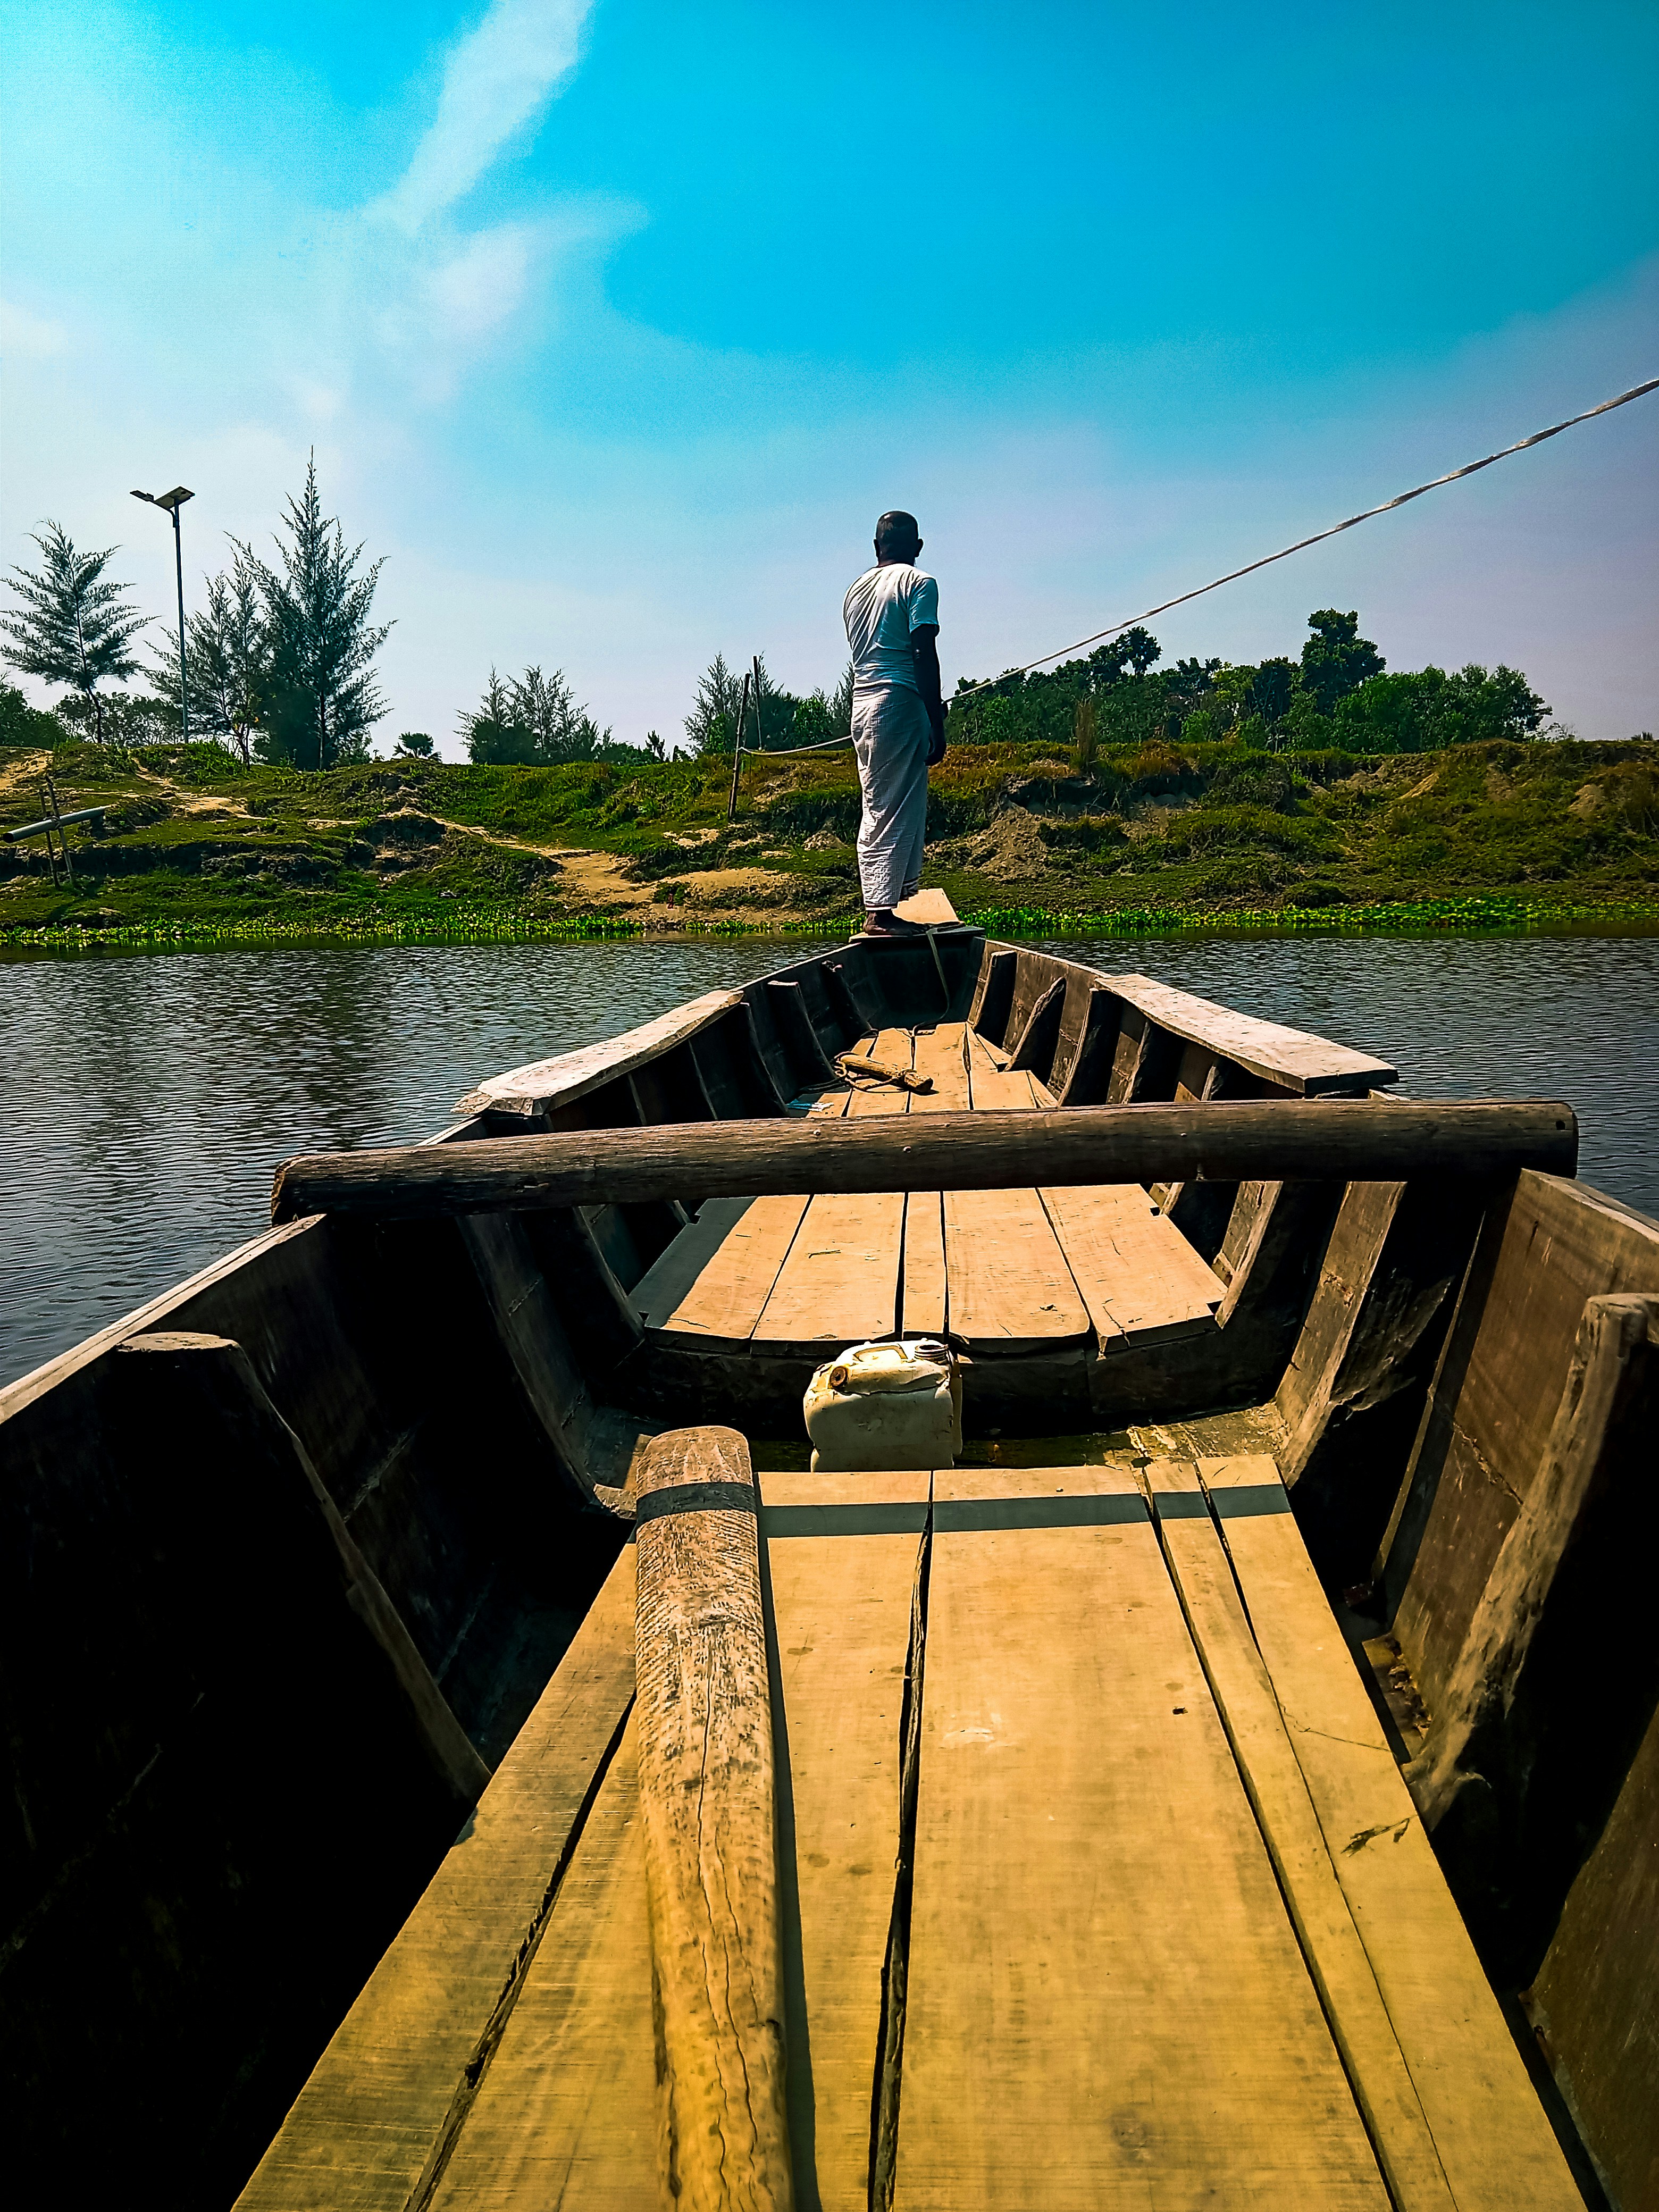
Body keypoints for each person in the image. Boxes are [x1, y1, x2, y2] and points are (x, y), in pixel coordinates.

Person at [842, 510, 946, 938]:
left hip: (863, 707)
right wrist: (935, 717)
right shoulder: (919, 583)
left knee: (882, 802)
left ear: (875, 548)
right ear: (918, 548)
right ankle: (880, 914)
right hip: (900, 701)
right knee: (892, 806)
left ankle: (886, 904)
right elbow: (923, 650)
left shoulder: (854, 591)